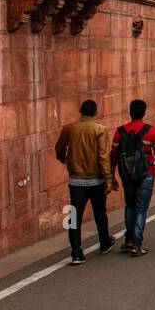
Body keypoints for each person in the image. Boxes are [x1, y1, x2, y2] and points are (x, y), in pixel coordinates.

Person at [55, 99, 114, 265]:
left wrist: (63, 158)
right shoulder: (100, 129)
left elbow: (59, 147)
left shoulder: (69, 129)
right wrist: (108, 178)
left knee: (74, 216)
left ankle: (76, 252)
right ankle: (104, 243)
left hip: (76, 181)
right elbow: (103, 156)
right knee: (100, 213)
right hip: (96, 180)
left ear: (81, 111)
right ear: (95, 112)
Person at [110, 99, 155, 257]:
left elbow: (114, 154)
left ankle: (129, 241)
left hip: (126, 174)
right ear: (144, 112)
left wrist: (112, 175)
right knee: (141, 209)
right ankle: (136, 245)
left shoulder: (120, 131)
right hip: (146, 173)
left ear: (130, 112)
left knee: (129, 206)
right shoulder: (152, 131)